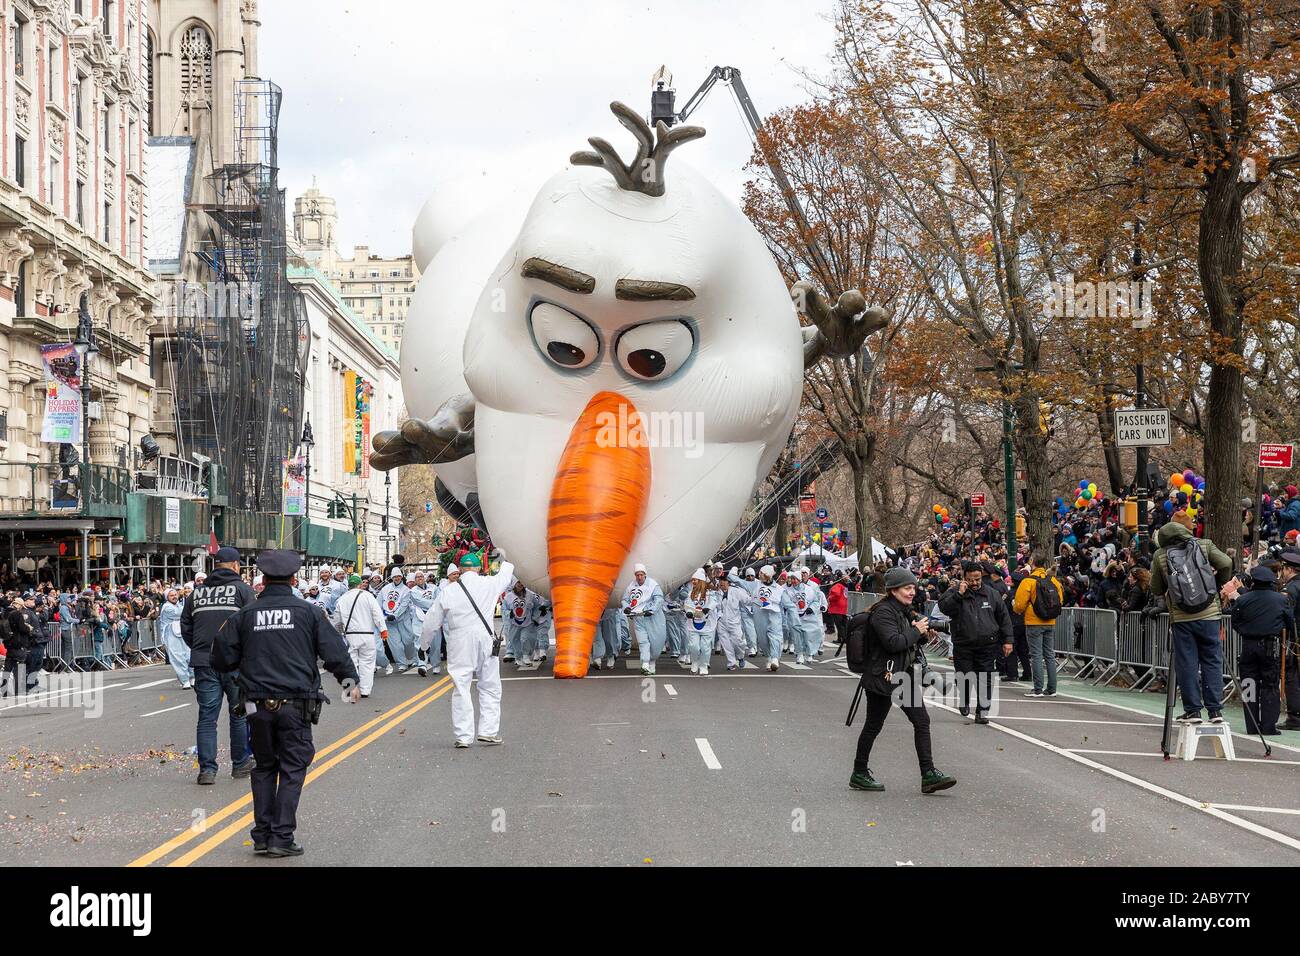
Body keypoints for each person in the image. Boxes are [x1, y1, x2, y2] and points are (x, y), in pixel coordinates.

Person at [213, 550, 359, 858]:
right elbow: (334, 652)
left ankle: (263, 836)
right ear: (294, 580)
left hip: (256, 705)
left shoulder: (245, 615)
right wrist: (349, 682)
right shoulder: (308, 613)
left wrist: (245, 669)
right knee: (293, 767)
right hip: (296, 704)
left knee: (265, 766)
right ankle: (281, 836)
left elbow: (221, 658)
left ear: (263, 581)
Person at [848, 567, 956, 794]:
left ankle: (928, 774)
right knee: (873, 725)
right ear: (893, 590)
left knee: (921, 720)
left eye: (913, 588)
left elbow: (908, 644)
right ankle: (859, 772)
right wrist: (916, 631)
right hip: (883, 676)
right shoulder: (883, 612)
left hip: (901, 674)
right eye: (907, 588)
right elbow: (893, 643)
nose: (911, 592)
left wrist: (923, 635)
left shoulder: (905, 610)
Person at [180, 546, 257, 785]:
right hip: (235, 664)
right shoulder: (244, 591)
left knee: (207, 718)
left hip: (205, 662)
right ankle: (241, 763)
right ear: (236, 566)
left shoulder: (197, 594)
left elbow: (186, 627)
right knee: (239, 715)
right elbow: (252, 628)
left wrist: (202, 649)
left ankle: (207, 770)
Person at [1149, 513, 1234, 724]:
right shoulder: (1203, 545)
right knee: (1212, 660)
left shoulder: (1161, 554)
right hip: (1209, 613)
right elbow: (1225, 562)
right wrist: (1216, 585)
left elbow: (1156, 588)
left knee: (1186, 663)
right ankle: (1215, 710)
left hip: (1181, 617)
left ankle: (1193, 710)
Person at [426, 551, 514, 747]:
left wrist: (424, 644)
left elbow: (432, 620)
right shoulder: (489, 584)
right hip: (484, 638)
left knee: (461, 686)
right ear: (478, 568)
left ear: (460, 570)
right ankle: (488, 731)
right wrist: (505, 557)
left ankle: (463, 736)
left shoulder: (449, 590)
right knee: (490, 685)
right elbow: (505, 576)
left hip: (459, 640)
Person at [938, 561, 1012, 724]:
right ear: (964, 578)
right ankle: (964, 701)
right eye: (971, 579)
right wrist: (958, 594)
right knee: (964, 675)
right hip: (963, 644)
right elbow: (943, 607)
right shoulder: (955, 592)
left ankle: (982, 711)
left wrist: (1008, 640)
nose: (975, 583)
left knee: (985, 678)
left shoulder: (992, 594)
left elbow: (1004, 617)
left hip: (987, 644)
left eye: (977, 579)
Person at [1227, 565, 1292, 736]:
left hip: (1249, 645)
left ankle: (1252, 725)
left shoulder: (1243, 600)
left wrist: (1246, 632)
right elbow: (1289, 621)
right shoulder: (1280, 600)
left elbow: (1235, 622)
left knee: (1249, 685)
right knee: (1270, 685)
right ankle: (1269, 725)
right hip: (1271, 646)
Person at [1012, 551, 1063, 699]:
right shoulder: (1053, 580)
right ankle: (1052, 688)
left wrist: (1015, 606)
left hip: (1034, 621)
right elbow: (1060, 600)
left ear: (1032, 561)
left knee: (1036, 655)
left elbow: (1019, 606)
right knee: (1049, 655)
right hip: (1050, 621)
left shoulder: (1028, 581)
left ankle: (1038, 689)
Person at [332, 573, 388, 698]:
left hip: (350, 635)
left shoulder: (342, 599)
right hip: (367, 634)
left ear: (349, 585)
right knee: (367, 663)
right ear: (359, 584)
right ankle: (365, 690)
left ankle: (353, 687)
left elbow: (337, 620)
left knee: (351, 663)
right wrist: (383, 629)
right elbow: (377, 613)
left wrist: (340, 634)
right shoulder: (368, 596)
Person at [621, 563, 666, 676]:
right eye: (637, 575)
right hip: (638, 618)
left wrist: (652, 610)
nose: (639, 577)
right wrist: (626, 608)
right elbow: (625, 599)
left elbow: (659, 599)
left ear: (645, 575)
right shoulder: (631, 586)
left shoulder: (653, 585)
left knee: (655, 641)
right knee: (643, 642)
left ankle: (652, 662)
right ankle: (645, 663)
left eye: (641, 575)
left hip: (652, 618)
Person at [683, 568, 719, 675]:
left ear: (701, 581)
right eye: (692, 580)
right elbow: (687, 605)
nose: (693, 582)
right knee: (694, 646)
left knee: (705, 647)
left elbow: (714, 602)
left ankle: (703, 665)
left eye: (696, 580)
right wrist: (688, 612)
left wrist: (708, 609)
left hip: (707, 624)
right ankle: (695, 662)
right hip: (693, 624)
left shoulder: (709, 593)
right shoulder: (690, 593)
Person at [1279, 550, 1300, 730]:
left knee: (1292, 677)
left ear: (1289, 569)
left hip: (1295, 639)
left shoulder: (1291, 588)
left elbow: (1286, 613)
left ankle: (1295, 717)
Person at [792, 566, 828, 664]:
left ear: (808, 574)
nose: (803, 575)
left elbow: (817, 599)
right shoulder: (792, 588)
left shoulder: (813, 586)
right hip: (797, 615)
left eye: (805, 573)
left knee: (811, 634)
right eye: (801, 573)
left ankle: (810, 653)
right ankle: (799, 654)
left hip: (810, 615)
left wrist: (812, 609)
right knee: (798, 635)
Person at [715, 574, 751, 670]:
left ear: (728, 583)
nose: (721, 585)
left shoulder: (736, 591)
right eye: (720, 583)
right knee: (726, 643)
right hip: (721, 622)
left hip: (734, 621)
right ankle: (731, 662)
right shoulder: (717, 592)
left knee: (738, 642)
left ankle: (740, 657)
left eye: (723, 583)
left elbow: (747, 600)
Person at [158, 587, 191, 688]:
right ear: (167, 597)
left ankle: (192, 677)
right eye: (171, 596)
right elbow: (182, 614)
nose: (174, 597)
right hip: (171, 635)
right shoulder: (167, 607)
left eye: (175, 595)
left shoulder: (179, 605)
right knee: (178, 657)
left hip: (182, 633)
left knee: (188, 655)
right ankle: (185, 680)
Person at [501, 580, 538, 667]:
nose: (520, 584)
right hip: (514, 623)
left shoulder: (530, 595)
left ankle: (526, 656)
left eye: (521, 582)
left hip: (527, 622)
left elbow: (536, 607)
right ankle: (518, 658)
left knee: (526, 638)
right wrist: (508, 613)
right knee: (514, 640)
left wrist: (535, 618)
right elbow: (504, 609)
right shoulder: (508, 597)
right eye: (518, 582)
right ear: (514, 584)